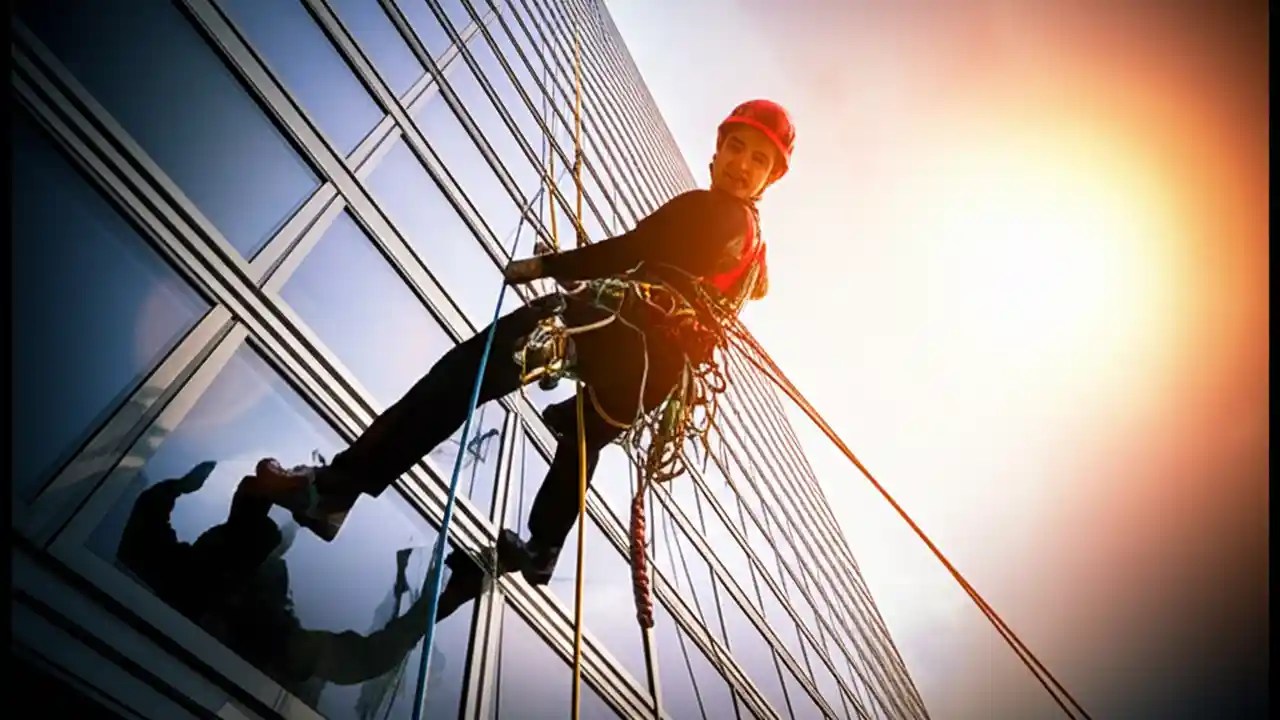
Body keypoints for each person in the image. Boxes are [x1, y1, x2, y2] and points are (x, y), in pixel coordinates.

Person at [243, 99, 796, 588]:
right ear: (719, 146)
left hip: (615, 334)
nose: (742, 166)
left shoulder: (706, 207)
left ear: (771, 178)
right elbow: (707, 277)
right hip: (653, 378)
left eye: (758, 161)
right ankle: (542, 550)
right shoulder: (755, 248)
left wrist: (542, 266)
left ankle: (334, 489)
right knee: (582, 439)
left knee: (464, 376)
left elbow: (628, 251)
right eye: (737, 149)